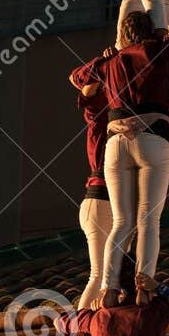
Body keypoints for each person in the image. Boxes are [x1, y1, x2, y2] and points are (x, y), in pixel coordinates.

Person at [70, 13, 169, 298]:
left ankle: (110, 289)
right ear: (150, 32)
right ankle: (143, 287)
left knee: (123, 221)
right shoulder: (157, 48)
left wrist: (106, 58)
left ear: (122, 36)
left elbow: (76, 77)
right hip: (151, 137)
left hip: (116, 143)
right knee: (148, 219)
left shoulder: (109, 62)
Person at [72, 81, 112, 308]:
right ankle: (79, 333)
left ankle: (84, 331)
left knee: (105, 275)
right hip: (100, 200)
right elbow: (87, 93)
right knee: (100, 275)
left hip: (100, 201)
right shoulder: (102, 120)